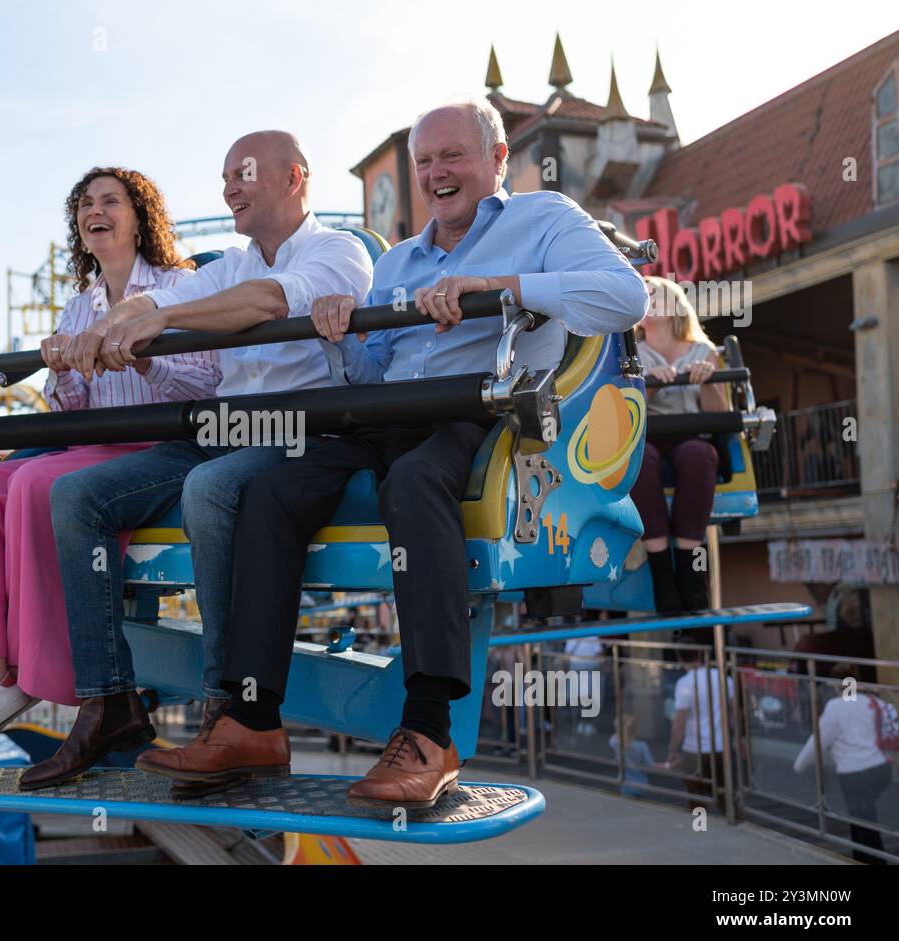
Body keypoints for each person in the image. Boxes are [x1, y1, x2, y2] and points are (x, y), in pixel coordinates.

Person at [136, 101, 649, 808]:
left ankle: (429, 731)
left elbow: (625, 295)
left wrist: (502, 288)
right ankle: (253, 719)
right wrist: (338, 335)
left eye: (454, 156)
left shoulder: (545, 219)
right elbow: (370, 370)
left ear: (497, 161)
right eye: (426, 162)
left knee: (413, 482)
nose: (438, 173)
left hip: (473, 412)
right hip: (379, 415)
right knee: (267, 493)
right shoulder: (401, 259)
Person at [17, 130, 374, 791]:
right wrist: (121, 321)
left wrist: (155, 323)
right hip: (220, 429)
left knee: (210, 489)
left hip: (294, 432)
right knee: (74, 496)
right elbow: (166, 297)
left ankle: (224, 710)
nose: (228, 188)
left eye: (242, 174)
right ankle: (109, 700)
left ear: (296, 177)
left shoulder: (337, 251)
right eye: (223, 178)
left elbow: (267, 301)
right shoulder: (230, 263)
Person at [0, 167, 220, 767]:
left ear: (140, 217)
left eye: (111, 201)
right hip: (91, 445)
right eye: (86, 204)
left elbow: (210, 379)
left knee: (34, 480)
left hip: (160, 446)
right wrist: (62, 374)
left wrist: (145, 362)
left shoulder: (179, 286)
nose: (95, 211)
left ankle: (41, 670)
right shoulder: (79, 307)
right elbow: (71, 410)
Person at [629, 277, 728, 612]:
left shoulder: (705, 353)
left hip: (690, 433)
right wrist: (651, 387)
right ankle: (661, 570)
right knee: (639, 462)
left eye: (654, 297)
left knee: (700, 455)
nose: (647, 302)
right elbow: (626, 413)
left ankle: (687, 567)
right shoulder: (632, 356)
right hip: (649, 436)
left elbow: (719, 414)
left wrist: (710, 381)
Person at [793, 663, 895, 863]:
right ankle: (862, 856)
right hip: (881, 769)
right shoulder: (868, 701)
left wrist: (799, 765)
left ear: (834, 683)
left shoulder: (836, 707)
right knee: (861, 815)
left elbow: (819, 740)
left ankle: (874, 858)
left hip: (854, 773)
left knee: (863, 818)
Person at [666, 636, 735, 812]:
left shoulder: (684, 684)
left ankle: (700, 830)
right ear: (700, 654)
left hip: (694, 749)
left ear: (680, 658)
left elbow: (679, 721)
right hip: (722, 746)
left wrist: (673, 749)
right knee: (726, 795)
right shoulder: (723, 678)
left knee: (696, 798)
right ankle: (734, 826)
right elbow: (734, 711)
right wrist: (738, 738)